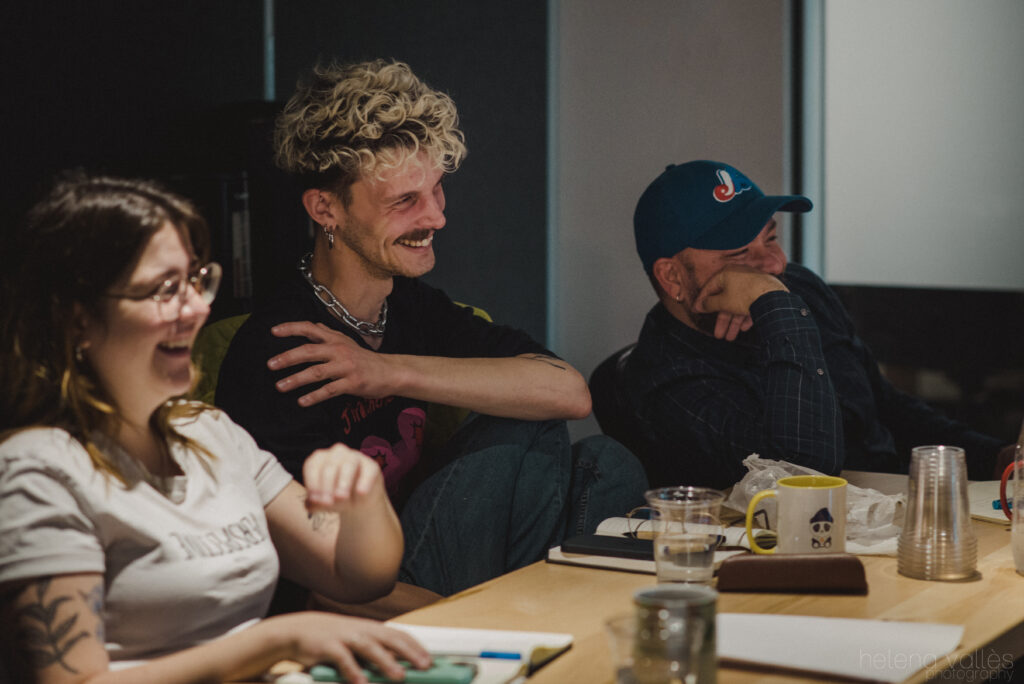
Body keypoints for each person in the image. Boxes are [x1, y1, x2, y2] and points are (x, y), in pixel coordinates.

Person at [216, 59, 647, 598]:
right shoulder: (282, 349)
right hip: (375, 590)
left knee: (607, 461)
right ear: (326, 208)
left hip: (457, 559)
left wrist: (385, 371)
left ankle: (556, 616)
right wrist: (467, 620)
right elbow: (311, 569)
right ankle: (534, 618)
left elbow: (568, 392)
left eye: (437, 191)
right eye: (405, 202)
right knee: (523, 427)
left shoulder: (411, 306)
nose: (436, 218)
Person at [0, 174, 432, 684]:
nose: (198, 308)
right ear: (78, 320)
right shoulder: (37, 468)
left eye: (196, 280)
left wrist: (361, 500)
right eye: (165, 290)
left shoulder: (209, 433)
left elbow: (358, 575)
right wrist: (276, 641)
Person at [622, 159, 1014, 489]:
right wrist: (780, 313)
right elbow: (800, 477)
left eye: (771, 239)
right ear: (672, 277)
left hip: (900, 501)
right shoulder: (668, 381)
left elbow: (881, 404)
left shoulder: (798, 287)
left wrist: (992, 458)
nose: (773, 266)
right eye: (740, 254)